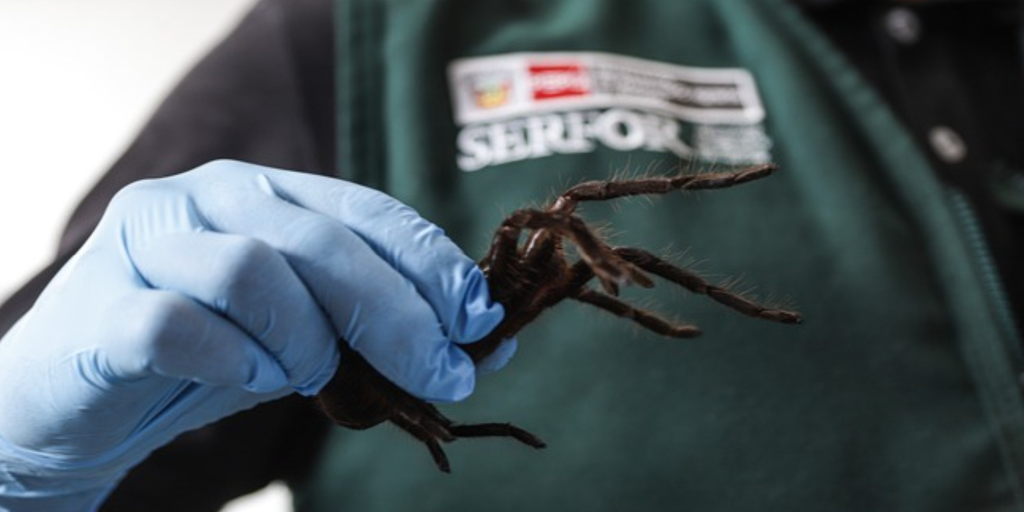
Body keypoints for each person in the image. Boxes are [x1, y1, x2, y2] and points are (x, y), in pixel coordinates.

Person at [2, 0, 1023, 511]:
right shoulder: (369, 37)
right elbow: (111, 361)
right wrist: (15, 463)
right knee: (565, 206)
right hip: (361, 388)